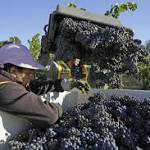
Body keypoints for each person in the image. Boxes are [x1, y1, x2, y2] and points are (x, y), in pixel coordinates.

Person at [0, 44, 62, 129]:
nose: (32, 77)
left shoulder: (6, 79)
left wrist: (59, 85)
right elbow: (51, 116)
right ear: (13, 71)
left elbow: (32, 87)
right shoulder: (5, 89)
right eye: (29, 74)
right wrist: (59, 108)